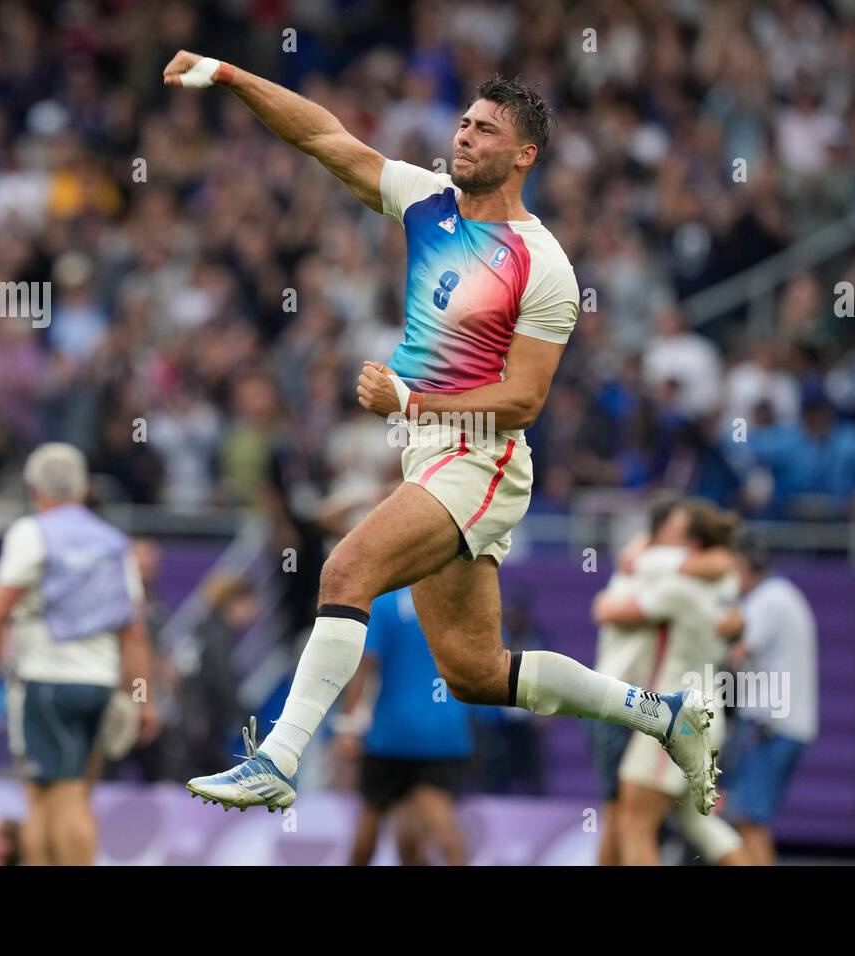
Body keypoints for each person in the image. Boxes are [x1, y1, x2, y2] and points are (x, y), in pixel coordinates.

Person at [163, 51, 718, 816]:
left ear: (523, 155)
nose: (464, 135)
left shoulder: (543, 263)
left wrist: (410, 399)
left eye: (484, 130)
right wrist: (232, 76)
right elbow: (326, 140)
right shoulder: (427, 202)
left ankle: (278, 759)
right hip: (432, 457)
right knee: (476, 673)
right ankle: (666, 716)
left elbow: (524, 401)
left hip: (481, 462)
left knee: (345, 571)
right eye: (463, 122)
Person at [0, 443, 158, 865]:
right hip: (98, 683)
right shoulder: (113, 542)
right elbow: (133, 631)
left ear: (34, 488)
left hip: (46, 681)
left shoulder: (33, 532)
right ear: (82, 489)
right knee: (66, 791)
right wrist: (143, 696)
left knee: (57, 795)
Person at [593, 501, 748, 866]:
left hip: (675, 714)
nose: (664, 540)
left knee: (634, 822)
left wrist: (629, 566)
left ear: (691, 545)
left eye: (675, 533)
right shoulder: (727, 580)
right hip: (710, 712)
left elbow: (609, 606)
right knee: (699, 823)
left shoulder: (677, 587)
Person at [334, 587, 472, 865]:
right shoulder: (456, 599)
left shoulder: (385, 604)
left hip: (392, 731)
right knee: (437, 820)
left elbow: (366, 665)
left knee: (372, 815)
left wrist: (348, 726)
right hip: (445, 729)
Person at [718, 530, 818, 866]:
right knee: (749, 819)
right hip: (781, 725)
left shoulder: (767, 600)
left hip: (770, 726)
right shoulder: (783, 595)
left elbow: (735, 652)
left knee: (750, 820)